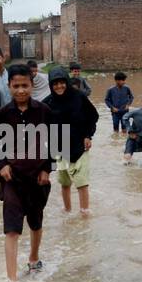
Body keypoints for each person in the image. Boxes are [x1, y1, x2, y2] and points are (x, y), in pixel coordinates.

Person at [0, 65, 54, 282]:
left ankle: (34, 258)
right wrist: (1, 164)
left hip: (37, 178)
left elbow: (53, 141)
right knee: (12, 228)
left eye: (24, 85)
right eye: (15, 86)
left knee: (36, 221)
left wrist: (47, 168)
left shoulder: (44, 111)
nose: (20, 90)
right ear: (9, 86)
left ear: (32, 84)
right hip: (12, 178)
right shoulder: (1, 114)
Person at [44, 66, 99, 213]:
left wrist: (88, 135)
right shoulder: (47, 103)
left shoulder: (79, 97)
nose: (59, 86)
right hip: (59, 148)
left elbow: (93, 116)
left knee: (81, 183)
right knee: (64, 182)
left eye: (62, 82)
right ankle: (67, 210)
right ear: (50, 85)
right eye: (55, 83)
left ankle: (84, 213)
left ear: (67, 82)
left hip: (79, 145)